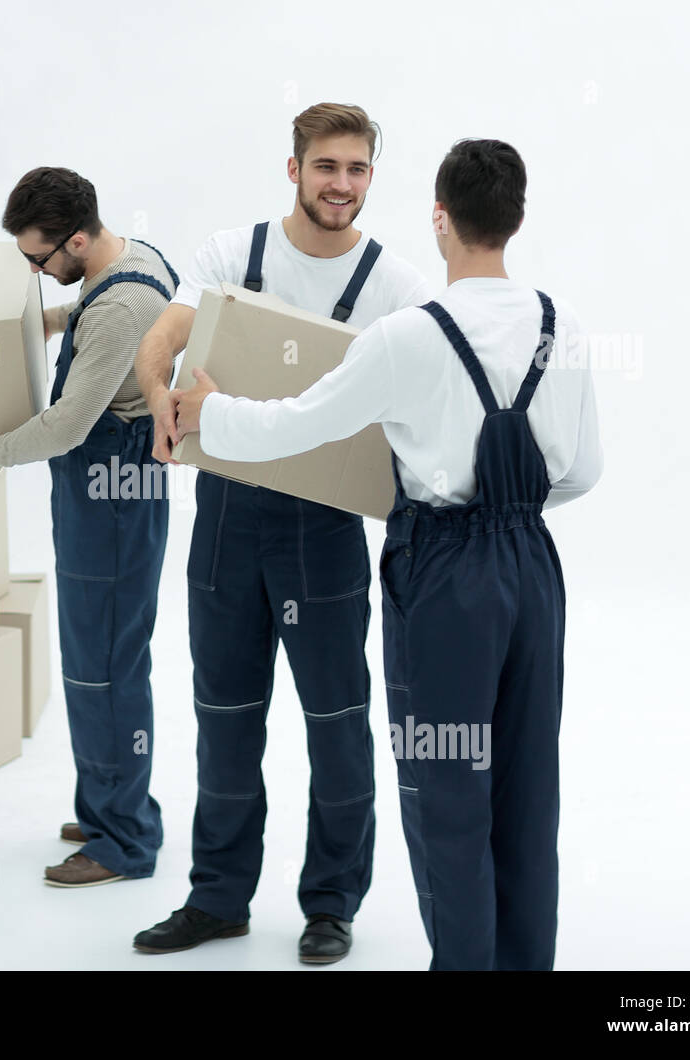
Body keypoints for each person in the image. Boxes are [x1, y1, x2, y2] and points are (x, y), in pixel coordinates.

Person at [173, 138, 603, 970]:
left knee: (447, 794)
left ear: (439, 219)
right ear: (515, 220)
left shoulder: (410, 336)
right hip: (533, 572)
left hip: (445, 578)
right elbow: (582, 472)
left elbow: (298, 424)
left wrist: (211, 414)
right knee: (526, 787)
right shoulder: (563, 323)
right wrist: (509, 513)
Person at [132, 103, 435, 963]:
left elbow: (436, 384)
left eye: (358, 169)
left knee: (336, 722)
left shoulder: (397, 285)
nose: (342, 184)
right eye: (326, 166)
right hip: (226, 516)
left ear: (372, 176)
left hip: (326, 525)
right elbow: (169, 329)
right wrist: (158, 393)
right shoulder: (238, 254)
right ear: (294, 168)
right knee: (225, 716)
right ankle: (218, 899)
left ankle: (331, 904)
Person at [0, 167, 179, 887]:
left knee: (101, 665)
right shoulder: (135, 256)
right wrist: (43, 321)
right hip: (114, 490)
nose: (38, 273)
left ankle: (122, 842)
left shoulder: (117, 307)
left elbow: (70, 424)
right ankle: (117, 805)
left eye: (40, 261)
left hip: (109, 491)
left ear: (77, 239)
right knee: (105, 658)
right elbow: (93, 318)